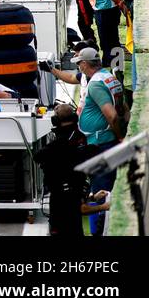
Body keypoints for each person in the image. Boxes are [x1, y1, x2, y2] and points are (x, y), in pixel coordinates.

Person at [43, 47, 126, 235]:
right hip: (106, 141)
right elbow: (124, 110)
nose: (78, 67)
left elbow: (112, 116)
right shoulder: (109, 77)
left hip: (101, 143)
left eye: (79, 63)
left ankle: (99, 232)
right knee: (101, 191)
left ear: (85, 64)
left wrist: (119, 137)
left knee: (102, 191)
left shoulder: (96, 84)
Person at [34, 102, 108, 237]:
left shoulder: (56, 146)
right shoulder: (80, 138)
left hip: (61, 207)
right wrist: (93, 198)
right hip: (71, 199)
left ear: (55, 121)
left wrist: (104, 206)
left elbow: (37, 156)